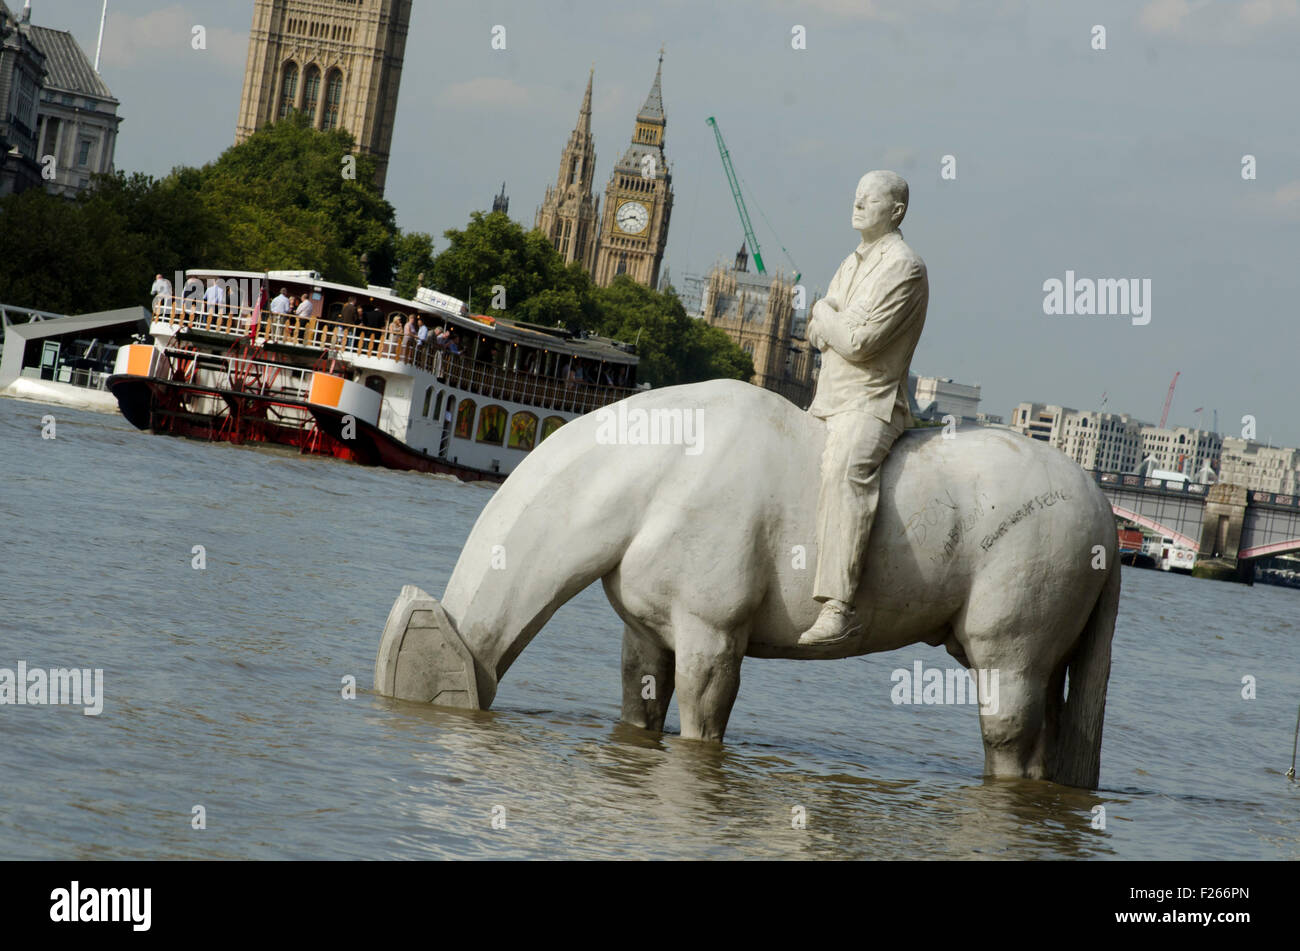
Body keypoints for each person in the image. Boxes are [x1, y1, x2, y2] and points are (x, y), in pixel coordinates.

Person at [797, 170, 929, 647]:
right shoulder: (851, 262)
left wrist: (824, 316)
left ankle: (838, 605)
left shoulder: (905, 267)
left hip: (870, 403)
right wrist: (828, 320)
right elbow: (822, 331)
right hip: (827, 400)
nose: (856, 205)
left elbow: (857, 340)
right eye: (855, 196)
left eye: (868, 199)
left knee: (844, 472)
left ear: (896, 212)